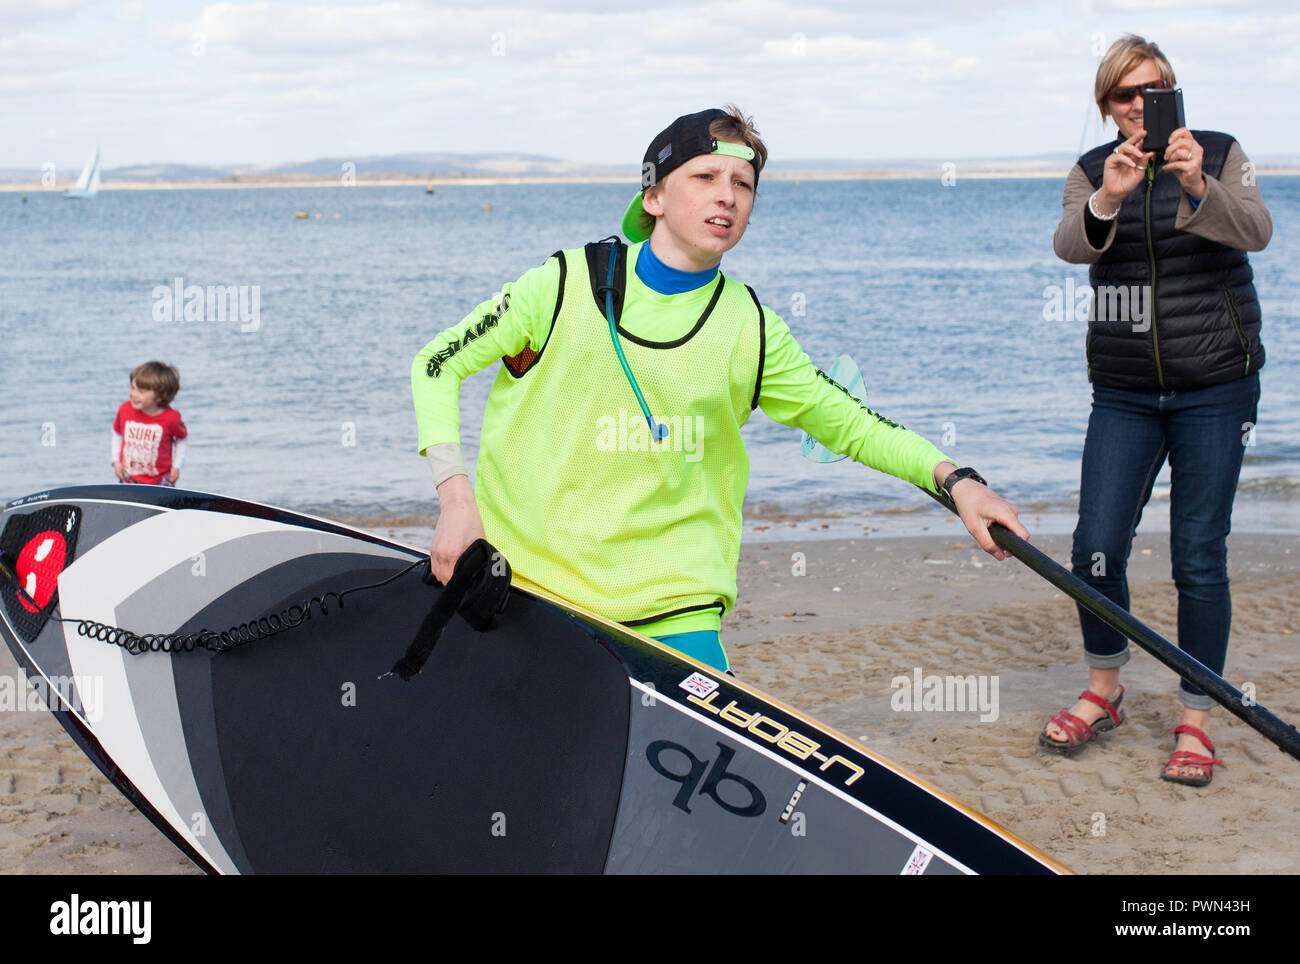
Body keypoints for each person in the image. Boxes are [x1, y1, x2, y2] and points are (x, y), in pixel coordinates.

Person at [411, 105, 1027, 673]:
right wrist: (457, 503)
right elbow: (436, 365)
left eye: (744, 184)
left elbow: (850, 423)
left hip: (675, 608)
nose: (727, 197)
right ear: (652, 195)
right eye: (705, 177)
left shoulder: (750, 329)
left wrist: (955, 481)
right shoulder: (563, 285)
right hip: (530, 590)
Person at [1042, 36, 1272, 785]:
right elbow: (1071, 249)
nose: (1140, 104)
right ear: (1106, 106)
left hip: (1216, 386)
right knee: (1095, 546)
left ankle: (1196, 717)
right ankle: (1106, 690)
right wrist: (1109, 194)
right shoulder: (1089, 172)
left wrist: (1198, 183)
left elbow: (1257, 233)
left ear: (1172, 90)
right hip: (1125, 390)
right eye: (1124, 94)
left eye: (1155, 89)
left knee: (1198, 556)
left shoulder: (1220, 150)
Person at [112, 361, 188, 486]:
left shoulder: (171, 418)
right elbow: (116, 433)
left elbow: (182, 439)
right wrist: (116, 461)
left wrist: (177, 466)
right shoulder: (124, 410)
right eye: (132, 388)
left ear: (159, 396)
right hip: (128, 477)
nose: (133, 394)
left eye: (140, 391)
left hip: (160, 480)